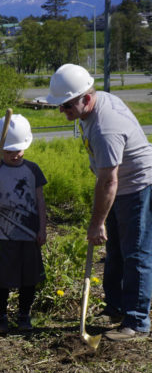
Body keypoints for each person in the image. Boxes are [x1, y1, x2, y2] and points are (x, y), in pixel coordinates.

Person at [46, 63, 152, 341]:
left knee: (136, 253)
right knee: (116, 250)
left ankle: (137, 321)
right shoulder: (93, 106)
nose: (63, 111)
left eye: (67, 105)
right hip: (122, 185)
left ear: (87, 98)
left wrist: (96, 224)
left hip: (137, 186)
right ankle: (116, 308)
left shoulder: (106, 127)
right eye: (60, 106)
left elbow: (108, 182)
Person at [0, 114, 47, 334]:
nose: (14, 155)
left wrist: (42, 229)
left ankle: (24, 315)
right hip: (3, 236)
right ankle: (1, 317)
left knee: (29, 279)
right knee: (1, 280)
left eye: (18, 150)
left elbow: (40, 201)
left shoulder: (33, 170)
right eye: (8, 151)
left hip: (29, 235)